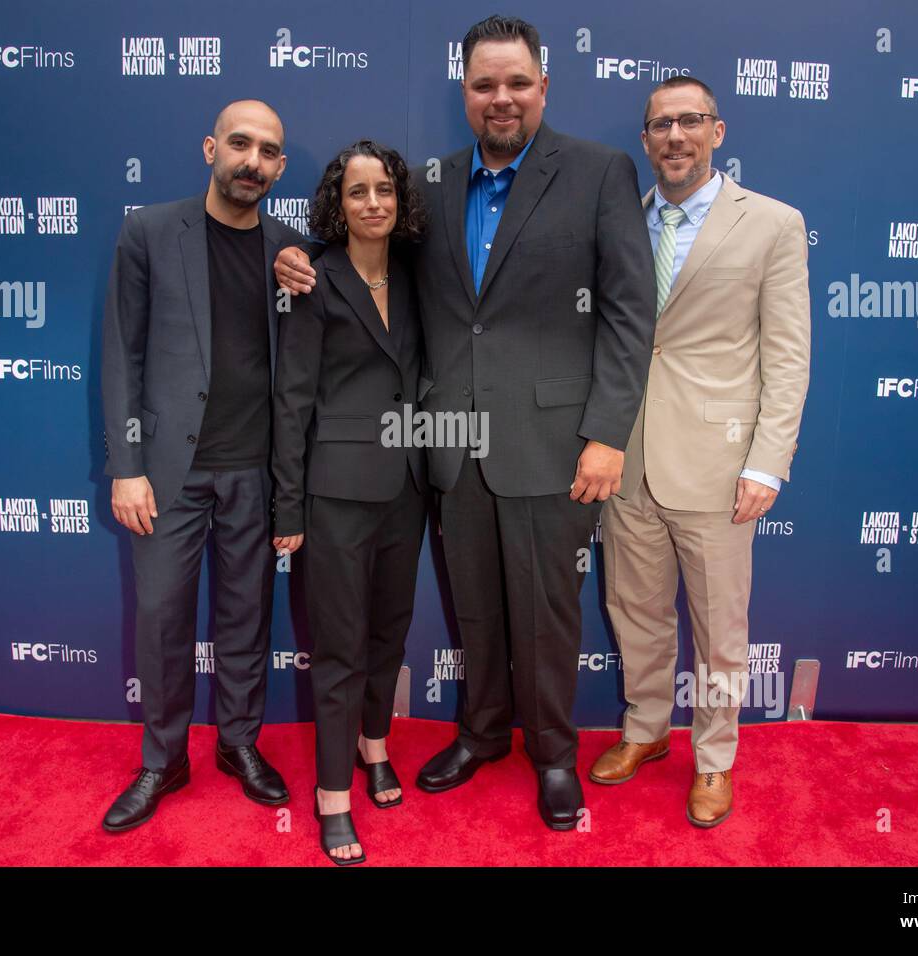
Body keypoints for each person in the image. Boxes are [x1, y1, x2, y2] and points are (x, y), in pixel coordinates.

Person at [276, 16, 657, 830]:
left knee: (549, 613)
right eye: (485, 84)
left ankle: (553, 755)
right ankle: (483, 733)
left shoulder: (598, 173)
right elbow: (367, 255)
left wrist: (608, 433)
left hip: (556, 446)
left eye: (517, 82)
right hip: (448, 451)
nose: (502, 98)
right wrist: (294, 252)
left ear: (544, 86)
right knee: (474, 608)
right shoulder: (432, 185)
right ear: (465, 93)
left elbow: (630, 313)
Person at [591, 76, 811, 828]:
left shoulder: (774, 224)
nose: (675, 136)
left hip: (719, 467)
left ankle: (714, 757)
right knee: (635, 610)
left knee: (720, 630)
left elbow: (787, 355)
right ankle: (647, 730)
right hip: (625, 456)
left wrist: (767, 460)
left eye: (690, 122)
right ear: (645, 140)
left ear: (718, 131)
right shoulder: (620, 220)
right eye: (660, 125)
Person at [99, 100, 306, 832]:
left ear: (281, 168)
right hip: (166, 474)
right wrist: (126, 463)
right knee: (160, 620)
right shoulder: (151, 231)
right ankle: (163, 758)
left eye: (271, 151)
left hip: (253, 471)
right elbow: (121, 354)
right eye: (242, 144)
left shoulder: (290, 249)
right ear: (211, 147)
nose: (254, 160)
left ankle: (239, 743)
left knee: (247, 618)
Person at [271, 140, 428, 864]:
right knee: (337, 651)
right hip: (333, 495)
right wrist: (288, 508)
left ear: (400, 201)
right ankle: (333, 794)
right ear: (338, 204)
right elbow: (293, 397)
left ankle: (374, 748)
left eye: (385, 191)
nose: (373, 204)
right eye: (358, 192)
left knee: (387, 640)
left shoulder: (417, 274)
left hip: (407, 491)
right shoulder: (314, 278)